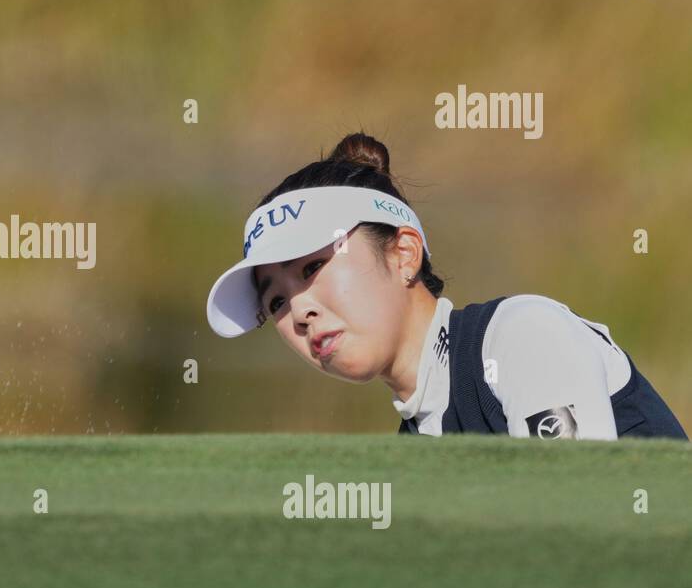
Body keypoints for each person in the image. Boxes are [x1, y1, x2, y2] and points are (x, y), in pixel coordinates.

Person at [205, 132, 687, 440]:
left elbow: (583, 542)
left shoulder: (521, 336)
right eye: (277, 301)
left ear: (404, 253)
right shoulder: (416, 448)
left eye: (312, 268)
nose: (299, 312)